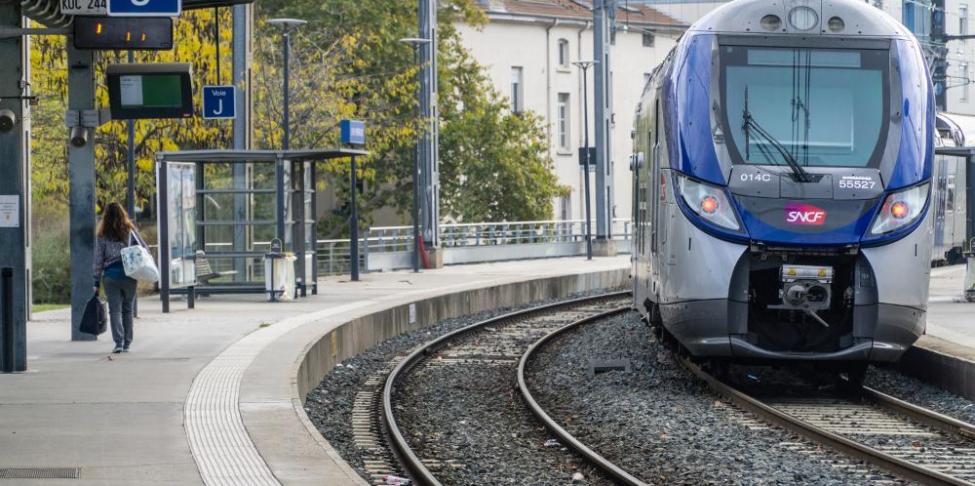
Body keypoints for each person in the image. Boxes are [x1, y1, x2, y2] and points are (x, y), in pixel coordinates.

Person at [93, 202, 148, 354]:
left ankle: (119, 342)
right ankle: (127, 344)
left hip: (111, 277)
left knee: (115, 311)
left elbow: (98, 260)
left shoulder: (102, 235)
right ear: (122, 214)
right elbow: (145, 248)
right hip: (130, 275)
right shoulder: (130, 231)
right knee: (127, 310)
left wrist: (95, 281)